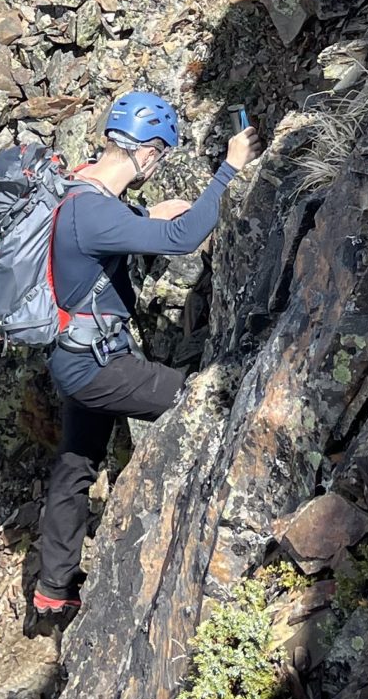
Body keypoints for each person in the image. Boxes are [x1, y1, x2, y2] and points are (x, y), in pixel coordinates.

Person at [31, 90, 258, 631]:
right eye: (161, 154)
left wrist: (144, 216)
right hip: (99, 367)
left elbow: (103, 232)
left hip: (72, 358)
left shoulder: (77, 185)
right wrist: (229, 170)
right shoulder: (92, 212)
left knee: (75, 466)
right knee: (201, 404)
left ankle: (51, 593)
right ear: (149, 151)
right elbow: (180, 239)